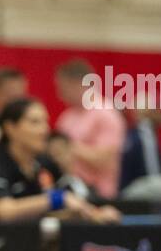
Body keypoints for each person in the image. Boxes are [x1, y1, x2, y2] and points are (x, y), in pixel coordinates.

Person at [0, 98, 119, 223]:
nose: (44, 130)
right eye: (35, 122)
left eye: (45, 122)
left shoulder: (45, 164)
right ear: (10, 128)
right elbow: (4, 211)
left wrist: (96, 213)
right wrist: (56, 200)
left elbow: (72, 200)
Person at [54, 58, 126, 199]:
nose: (59, 92)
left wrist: (67, 147)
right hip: (71, 190)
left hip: (98, 195)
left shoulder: (106, 113)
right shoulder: (66, 117)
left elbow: (105, 160)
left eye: (62, 87)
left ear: (76, 84)